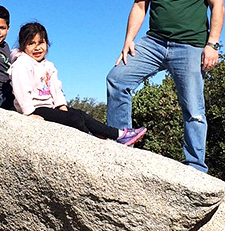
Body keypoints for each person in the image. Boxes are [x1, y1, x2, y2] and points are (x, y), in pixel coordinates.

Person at [106, 0, 225, 173]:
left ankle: (195, 166)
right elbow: (140, 6)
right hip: (154, 42)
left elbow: (217, 5)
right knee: (117, 79)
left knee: (194, 108)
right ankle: (120, 141)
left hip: (191, 45)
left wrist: (212, 44)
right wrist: (129, 40)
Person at [11, 21, 147, 146]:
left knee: (80, 114)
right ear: (23, 46)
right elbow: (21, 89)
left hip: (49, 107)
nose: (37, 48)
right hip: (35, 108)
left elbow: (55, 88)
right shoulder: (22, 63)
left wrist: (61, 105)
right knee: (75, 119)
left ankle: (119, 134)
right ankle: (92, 141)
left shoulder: (48, 65)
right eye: (31, 43)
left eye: (41, 42)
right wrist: (28, 113)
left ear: (47, 43)